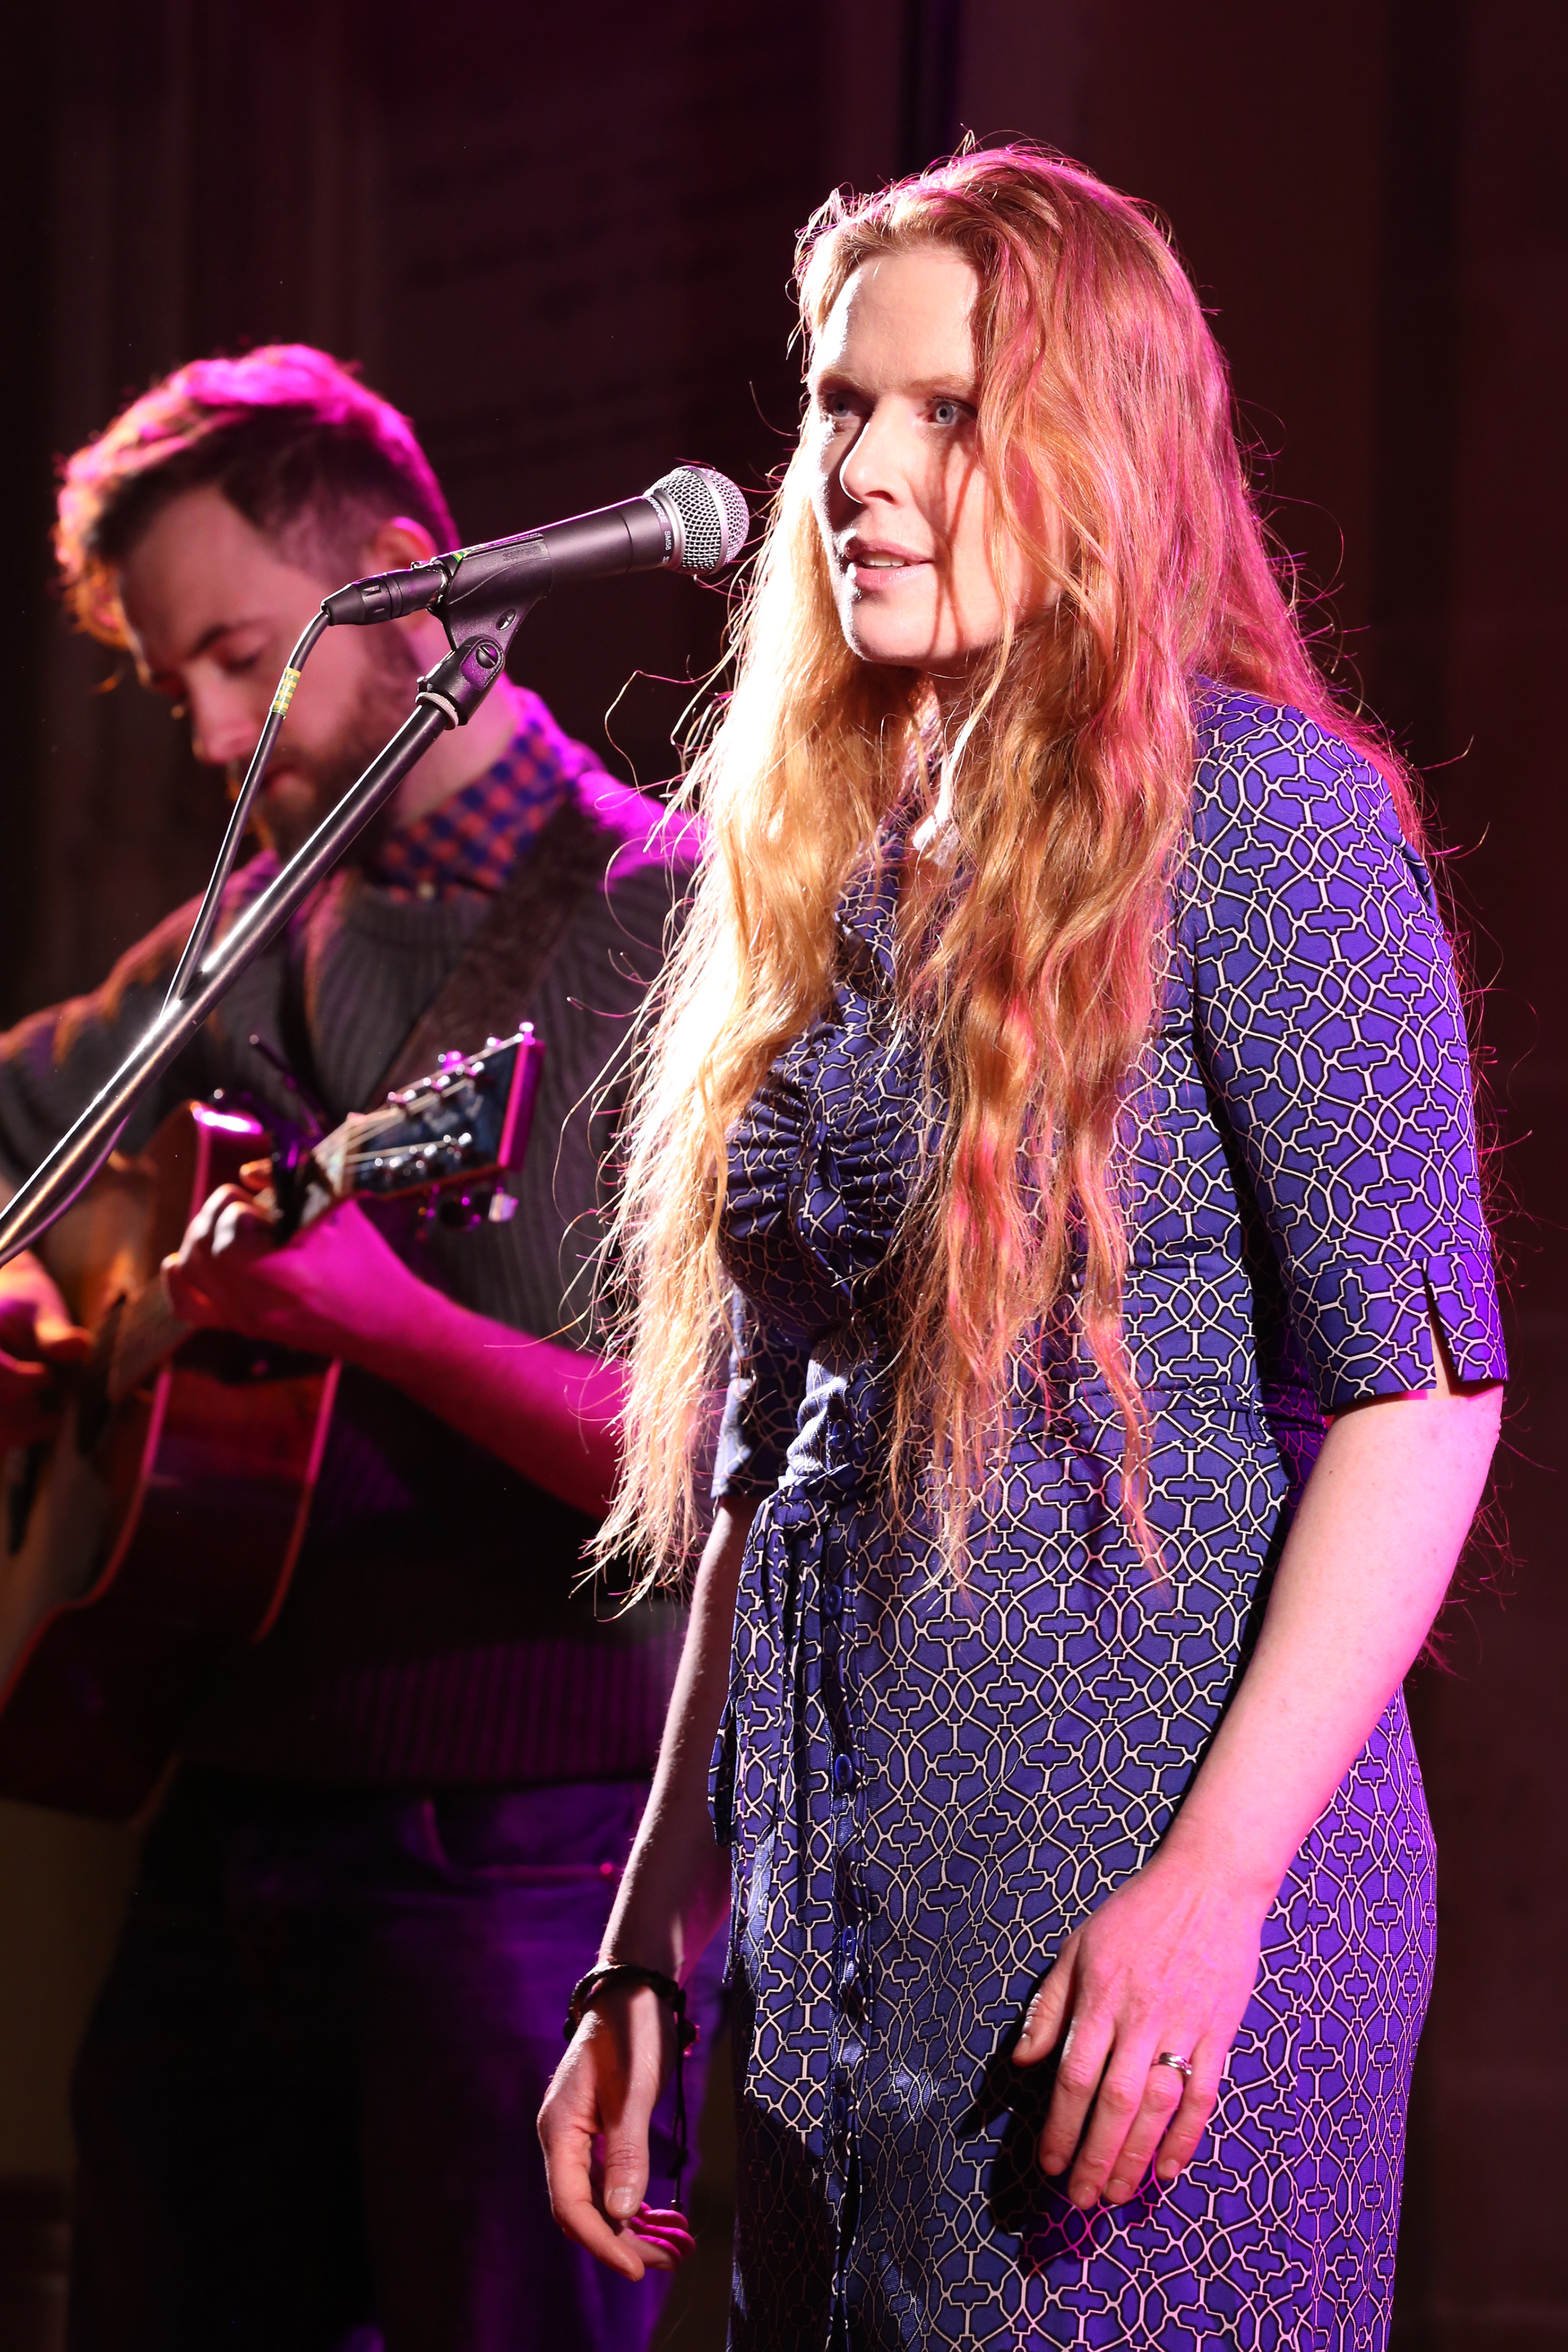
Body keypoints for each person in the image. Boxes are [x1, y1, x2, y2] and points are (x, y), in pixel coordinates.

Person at [537, 149, 1506, 2349]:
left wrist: (1209, 1899)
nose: (860, 473)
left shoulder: (1260, 819)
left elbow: (1424, 1395)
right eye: (835, 407)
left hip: (1145, 1926)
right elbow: (764, 1465)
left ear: (1100, 448)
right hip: (846, 1926)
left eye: (944, 412)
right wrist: (646, 1933)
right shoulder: (851, 864)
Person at [0, 346, 718, 2351]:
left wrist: (383, 1325)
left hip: (532, 1862)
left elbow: (703, 1467)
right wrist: (44, 1316)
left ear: (403, 586)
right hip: (229, 1815)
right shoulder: (248, 939)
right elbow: (15, 1129)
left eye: (247, 661)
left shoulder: (674, 930)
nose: (217, 734)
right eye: (178, 692)